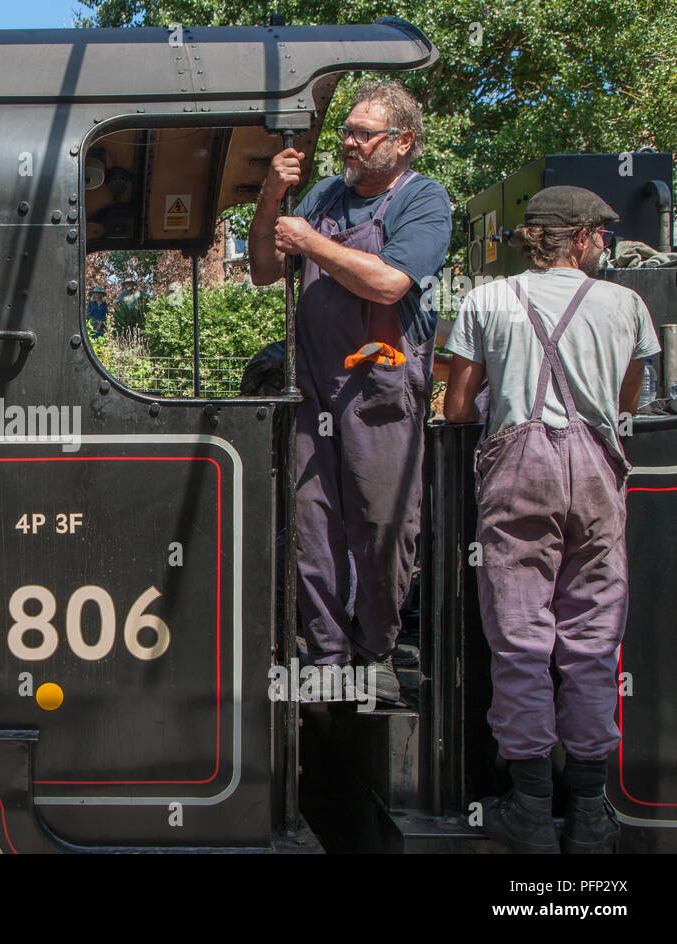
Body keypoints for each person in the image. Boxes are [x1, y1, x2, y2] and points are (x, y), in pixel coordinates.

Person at [443, 186, 660, 853]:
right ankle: (591, 810)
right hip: (596, 474)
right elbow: (627, 400)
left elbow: (456, 407)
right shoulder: (626, 304)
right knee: (594, 639)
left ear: (533, 240)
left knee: (521, 639)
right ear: (588, 237)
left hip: (516, 474)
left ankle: (531, 808)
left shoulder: (487, 300)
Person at [248, 79, 452, 701]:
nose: (349, 143)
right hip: (313, 386)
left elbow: (390, 284)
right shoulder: (321, 196)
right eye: (347, 132)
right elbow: (262, 270)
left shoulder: (424, 202)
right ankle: (329, 656)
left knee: (384, 524)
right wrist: (269, 197)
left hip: (381, 389)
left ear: (405, 141)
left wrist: (311, 240)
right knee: (314, 524)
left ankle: (377, 656)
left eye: (364, 133)